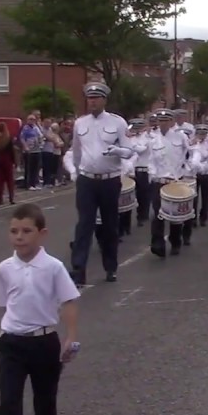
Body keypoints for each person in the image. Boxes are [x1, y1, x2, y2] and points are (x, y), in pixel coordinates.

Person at [0, 203, 80, 415]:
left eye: (26, 231)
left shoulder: (53, 267)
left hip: (44, 342)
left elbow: (69, 301)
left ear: (42, 233)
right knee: (8, 402)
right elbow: (7, 303)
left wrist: (70, 336)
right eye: (14, 231)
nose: (19, 237)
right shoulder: (4, 268)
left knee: (44, 399)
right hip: (12, 343)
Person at [69, 82, 135, 285]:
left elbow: (129, 151)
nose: (93, 102)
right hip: (87, 180)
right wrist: (76, 172)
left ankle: (110, 267)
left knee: (110, 225)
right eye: (90, 98)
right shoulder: (80, 123)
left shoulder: (117, 122)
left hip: (109, 180)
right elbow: (76, 151)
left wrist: (117, 151)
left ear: (104, 100)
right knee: (84, 225)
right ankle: (78, 269)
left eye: (96, 98)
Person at [146, 109, 194, 257]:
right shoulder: (153, 140)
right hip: (159, 181)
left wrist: (187, 169)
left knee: (175, 216)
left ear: (172, 122)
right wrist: (153, 174)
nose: (163, 123)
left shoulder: (180, 137)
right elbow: (150, 160)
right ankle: (158, 244)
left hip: (176, 181)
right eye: (161, 121)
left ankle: (175, 242)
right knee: (158, 214)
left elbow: (190, 153)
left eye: (166, 120)